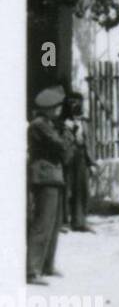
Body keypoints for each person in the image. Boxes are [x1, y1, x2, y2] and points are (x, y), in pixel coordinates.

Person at [28, 85, 70, 284]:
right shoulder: (39, 125)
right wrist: (67, 136)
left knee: (54, 224)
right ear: (50, 107)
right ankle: (32, 270)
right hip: (45, 177)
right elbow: (60, 146)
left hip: (54, 177)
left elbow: (66, 154)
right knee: (43, 224)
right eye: (58, 106)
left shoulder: (50, 125)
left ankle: (47, 265)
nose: (60, 109)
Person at [61, 91, 96, 232]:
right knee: (67, 189)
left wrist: (92, 162)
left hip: (82, 156)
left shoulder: (85, 121)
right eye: (71, 102)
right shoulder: (63, 121)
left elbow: (90, 141)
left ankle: (79, 222)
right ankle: (63, 222)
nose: (74, 105)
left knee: (82, 189)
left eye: (77, 102)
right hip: (68, 156)